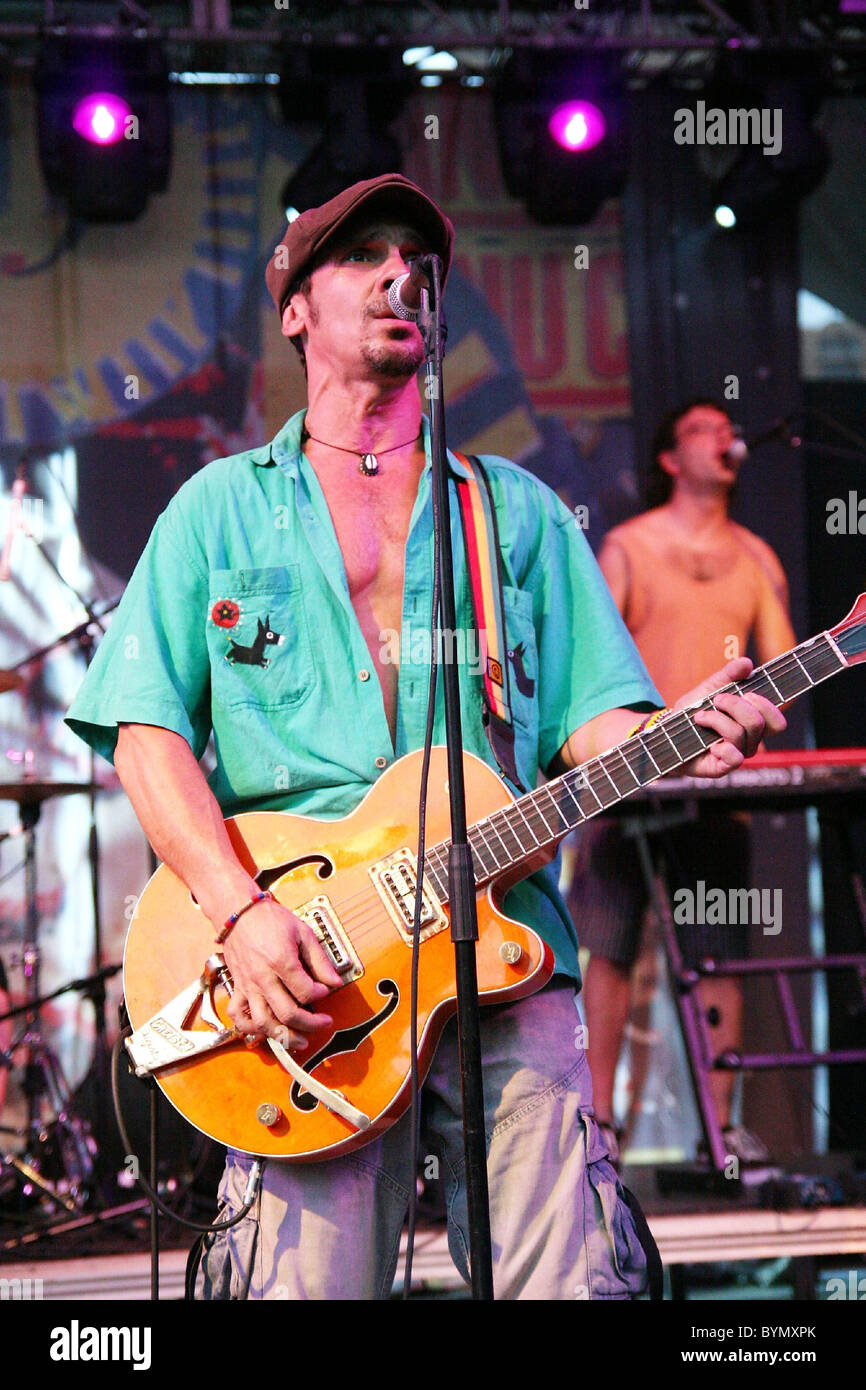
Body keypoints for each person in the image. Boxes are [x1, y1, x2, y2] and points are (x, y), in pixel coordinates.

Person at [65, 178, 785, 1299]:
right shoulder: (216, 512)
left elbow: (588, 722)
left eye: (416, 259)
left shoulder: (516, 511)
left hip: (503, 946)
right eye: (363, 257)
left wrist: (673, 735)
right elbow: (145, 731)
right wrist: (242, 913)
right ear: (295, 306)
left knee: (566, 1287)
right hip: (302, 968)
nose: (400, 275)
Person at [568, 399, 796, 1165]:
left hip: (714, 790)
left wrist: (758, 715)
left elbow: (784, 667)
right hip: (625, 781)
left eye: (727, 427)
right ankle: (597, 1127)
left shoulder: (758, 558)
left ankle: (722, 1135)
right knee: (607, 949)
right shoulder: (629, 548)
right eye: (702, 428)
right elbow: (589, 667)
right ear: (671, 457)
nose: (725, 435)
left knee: (719, 952)